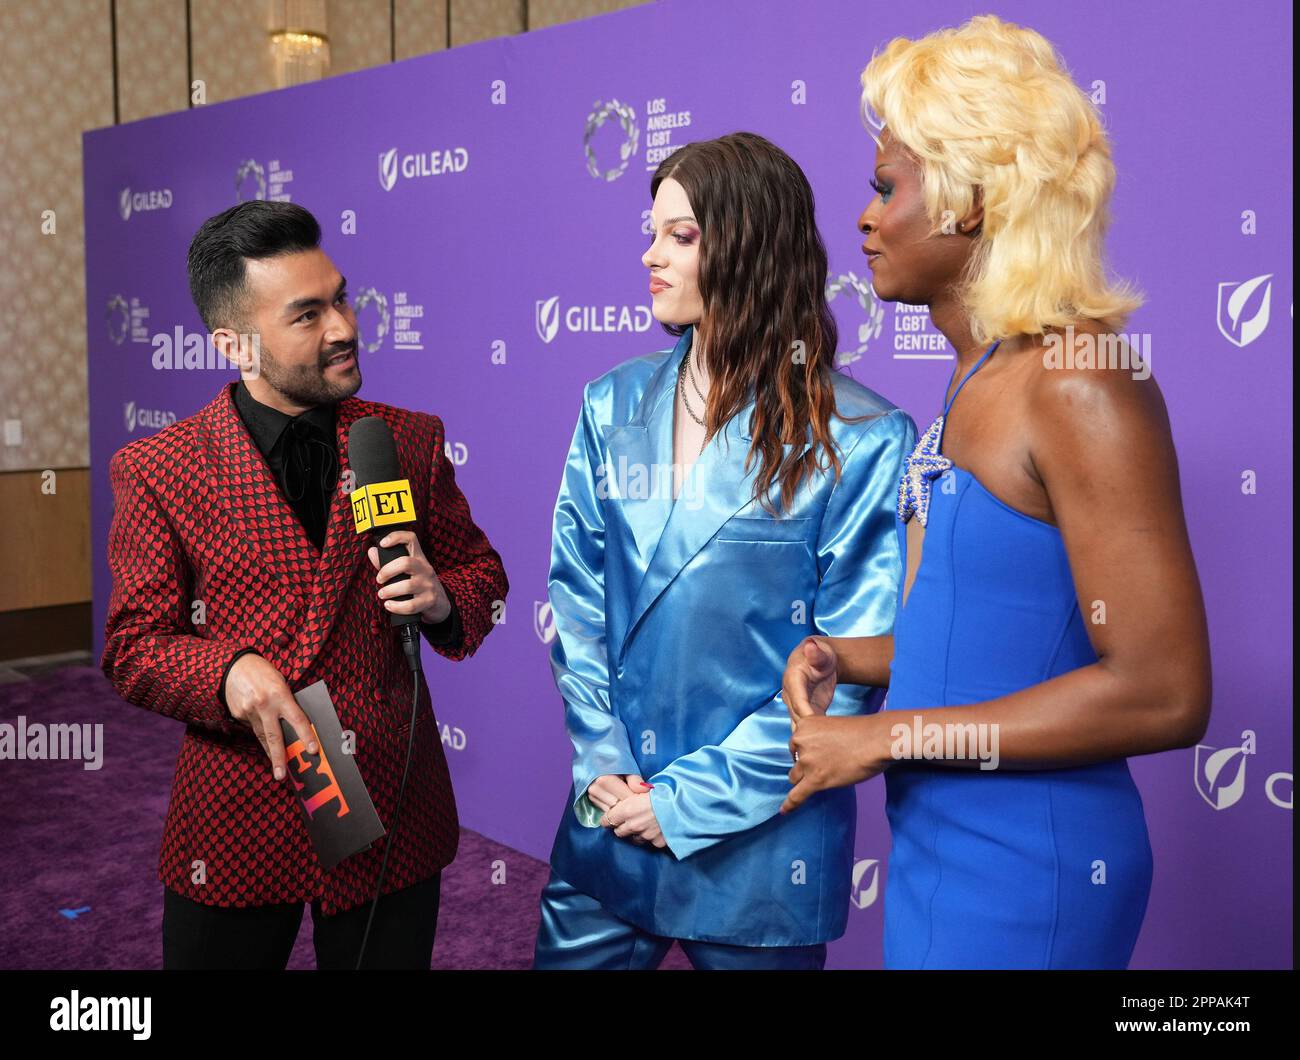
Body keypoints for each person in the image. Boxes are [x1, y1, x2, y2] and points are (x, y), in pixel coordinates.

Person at [781, 14, 1212, 969]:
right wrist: (843, 657)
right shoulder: (981, 376)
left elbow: (1164, 692)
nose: (864, 216)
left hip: (1032, 868)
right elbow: (984, 637)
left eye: (885, 187)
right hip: (943, 846)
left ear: (970, 196)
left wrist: (888, 738)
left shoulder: (1080, 379)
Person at [533, 132, 917, 970]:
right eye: (651, 232)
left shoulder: (862, 437)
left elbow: (850, 668)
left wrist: (687, 801)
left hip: (763, 847)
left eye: (680, 236)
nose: (650, 256)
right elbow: (577, 597)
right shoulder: (612, 403)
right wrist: (605, 767)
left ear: (747, 245)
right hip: (611, 818)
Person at [101, 200, 508, 969]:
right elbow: (133, 645)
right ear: (234, 344)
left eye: (342, 298)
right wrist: (228, 672)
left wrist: (443, 597)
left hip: (390, 801)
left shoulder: (404, 439)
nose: (345, 327)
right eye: (307, 315)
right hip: (242, 807)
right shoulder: (159, 470)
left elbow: (482, 574)